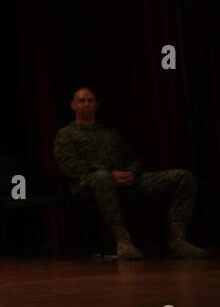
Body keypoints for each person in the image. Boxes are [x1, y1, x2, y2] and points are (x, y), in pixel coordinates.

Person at [53, 87, 208, 259]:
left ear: (96, 105)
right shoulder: (65, 134)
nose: (86, 104)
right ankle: (123, 241)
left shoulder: (111, 133)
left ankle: (178, 240)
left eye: (90, 100)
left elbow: (133, 159)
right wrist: (110, 174)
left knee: (183, 177)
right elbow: (69, 165)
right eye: (82, 101)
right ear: (73, 105)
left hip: (125, 180)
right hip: (89, 184)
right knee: (102, 178)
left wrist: (131, 173)